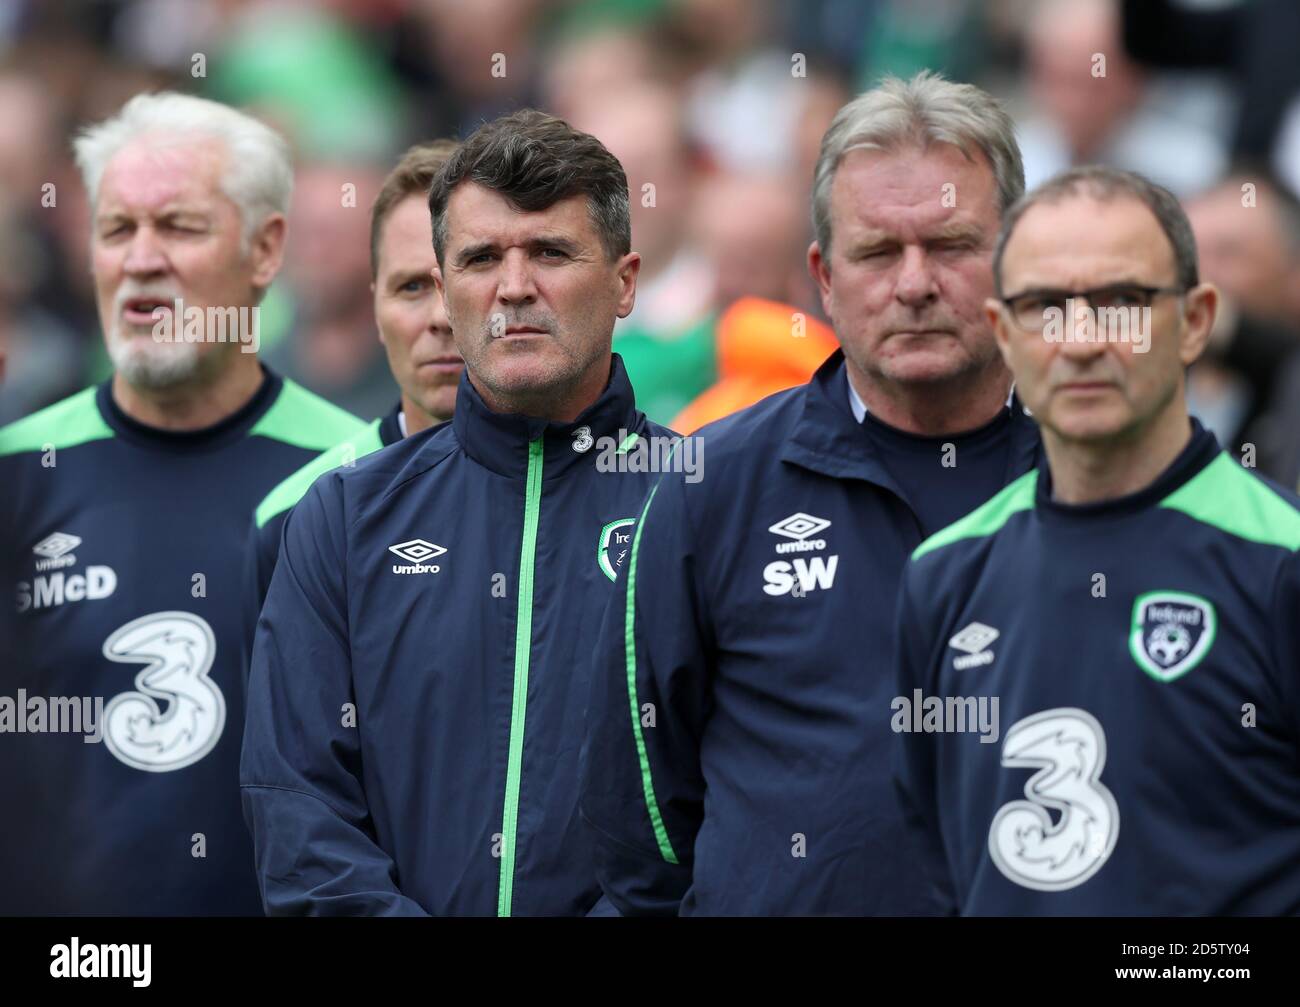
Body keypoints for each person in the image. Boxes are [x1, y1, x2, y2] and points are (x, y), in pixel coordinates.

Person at [581, 71, 1040, 915]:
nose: (913, 284)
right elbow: (639, 815)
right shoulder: (707, 485)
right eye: (877, 251)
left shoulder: (1098, 476)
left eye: (950, 245)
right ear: (823, 276)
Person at [240, 109, 675, 916]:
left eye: (550, 251)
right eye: (480, 258)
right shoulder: (341, 518)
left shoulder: (701, 503)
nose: (514, 287)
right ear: (446, 287)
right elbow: (298, 809)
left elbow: (727, 812)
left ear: (624, 280)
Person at [895, 165, 1300, 914]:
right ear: (1004, 334)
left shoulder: (1283, 562)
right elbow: (945, 861)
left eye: (1122, 302)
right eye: (1045, 306)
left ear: (1198, 321)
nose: (1081, 341)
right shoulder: (942, 574)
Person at [0, 92, 366, 914]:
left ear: (266, 249)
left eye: (180, 226)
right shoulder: (15, 474)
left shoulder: (355, 475)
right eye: (117, 229)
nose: (141, 258)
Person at [246, 140, 463, 616]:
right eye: (411, 287)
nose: (440, 317)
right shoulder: (292, 515)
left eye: (462, 279)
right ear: (377, 297)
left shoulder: (624, 490)